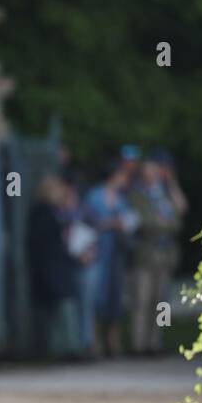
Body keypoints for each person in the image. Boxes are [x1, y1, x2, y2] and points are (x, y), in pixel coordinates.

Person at [126, 151, 187, 355]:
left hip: (165, 255)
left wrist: (172, 183)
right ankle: (138, 344)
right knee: (142, 300)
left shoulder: (166, 193)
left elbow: (181, 212)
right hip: (145, 254)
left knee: (162, 302)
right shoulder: (138, 193)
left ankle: (155, 343)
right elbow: (142, 222)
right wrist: (163, 224)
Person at [83, 153, 139, 358]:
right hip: (100, 252)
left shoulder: (123, 199)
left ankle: (113, 344)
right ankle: (95, 343)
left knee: (116, 298)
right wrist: (108, 224)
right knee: (98, 297)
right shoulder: (94, 196)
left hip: (117, 253)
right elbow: (87, 222)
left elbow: (130, 223)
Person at [27, 174, 84, 360]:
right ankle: (67, 349)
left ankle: (66, 348)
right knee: (62, 309)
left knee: (61, 309)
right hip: (52, 270)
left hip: (56, 269)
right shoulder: (43, 213)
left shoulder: (52, 212)